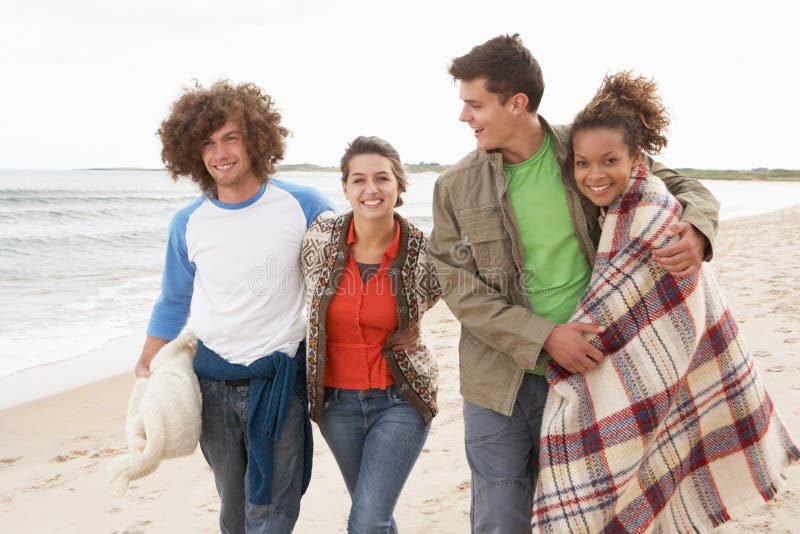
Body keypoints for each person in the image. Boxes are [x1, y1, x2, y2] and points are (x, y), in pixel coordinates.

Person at [426, 34, 721, 533]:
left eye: (474, 105)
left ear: (516, 103)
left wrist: (697, 229)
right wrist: (544, 336)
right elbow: (461, 290)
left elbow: (684, 186)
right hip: (498, 384)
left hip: (596, 374)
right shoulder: (454, 185)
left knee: (589, 516)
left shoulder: (586, 150)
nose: (464, 117)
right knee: (500, 519)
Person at [532, 71, 800, 532]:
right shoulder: (604, 192)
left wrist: (698, 231)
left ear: (638, 158)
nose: (593, 174)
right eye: (582, 164)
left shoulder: (651, 207)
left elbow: (670, 298)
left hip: (662, 370)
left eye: (609, 160)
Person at [134, 80, 335, 533]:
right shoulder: (188, 223)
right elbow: (173, 301)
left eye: (231, 137)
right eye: (207, 143)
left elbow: (344, 278)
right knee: (232, 506)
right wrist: (148, 359)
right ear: (192, 152)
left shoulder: (304, 205)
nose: (220, 152)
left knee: (274, 509)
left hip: (280, 380)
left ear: (256, 139)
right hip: (212, 383)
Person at [301, 136, 441, 533]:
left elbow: (465, 294)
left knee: (366, 520)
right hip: (336, 405)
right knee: (373, 514)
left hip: (400, 399)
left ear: (399, 186)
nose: (371, 189)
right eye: (359, 180)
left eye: (382, 178)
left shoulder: (424, 252)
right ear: (345, 188)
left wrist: (415, 328)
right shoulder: (317, 240)